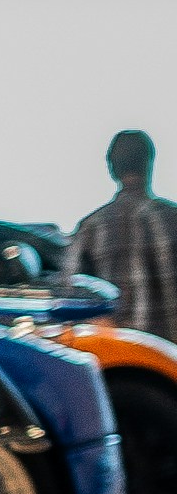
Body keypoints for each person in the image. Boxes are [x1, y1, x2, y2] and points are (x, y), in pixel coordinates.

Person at [69, 131, 177, 339]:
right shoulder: (173, 219)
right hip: (171, 362)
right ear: (149, 164)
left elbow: (72, 300)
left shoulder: (89, 229)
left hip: (119, 365)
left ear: (112, 169)